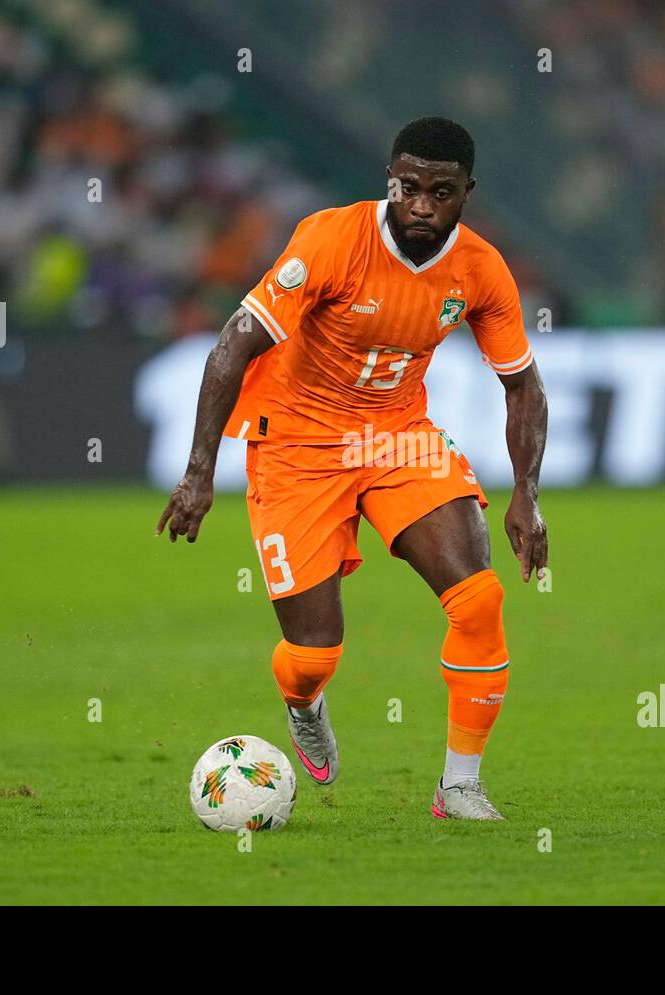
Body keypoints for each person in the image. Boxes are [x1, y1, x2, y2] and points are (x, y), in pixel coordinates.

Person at [156, 117, 548, 820]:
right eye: (410, 187)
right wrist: (196, 474)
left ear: (467, 193)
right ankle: (302, 698)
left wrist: (528, 494)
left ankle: (458, 784)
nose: (422, 204)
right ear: (389, 182)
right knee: (315, 652)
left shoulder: (481, 270)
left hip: (398, 438)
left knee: (479, 597)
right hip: (296, 446)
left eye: (442, 191)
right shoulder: (331, 239)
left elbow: (522, 383)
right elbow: (231, 346)